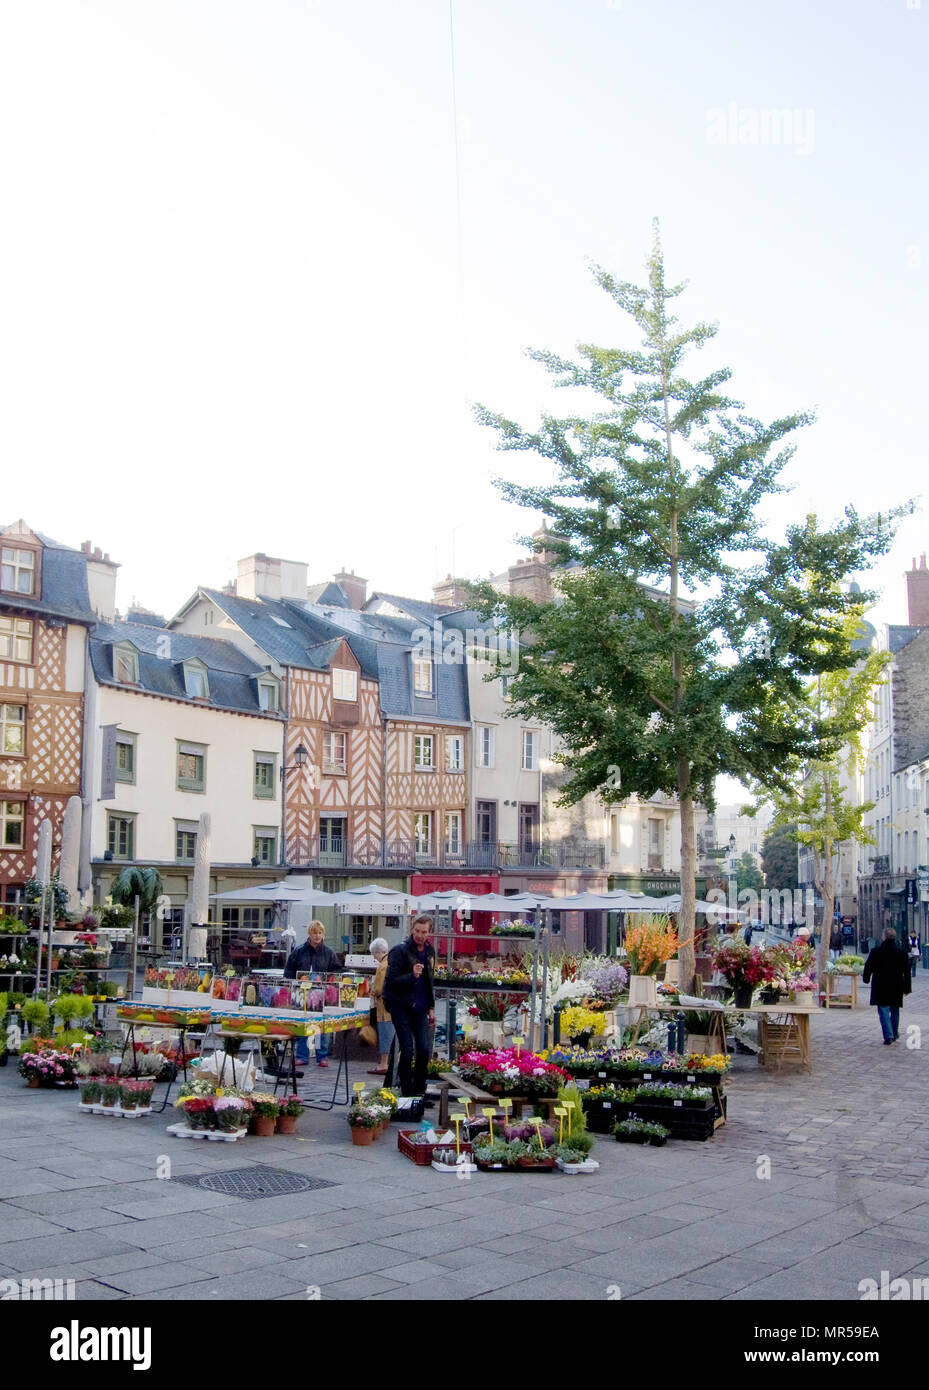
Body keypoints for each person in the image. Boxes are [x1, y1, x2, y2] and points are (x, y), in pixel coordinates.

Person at [383, 914, 435, 1097]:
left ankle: (419, 1090)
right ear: (412, 930)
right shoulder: (401, 951)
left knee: (424, 1049)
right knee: (407, 1049)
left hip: (420, 1007)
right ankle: (406, 1092)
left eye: (424, 932)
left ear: (429, 933)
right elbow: (390, 981)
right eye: (417, 931)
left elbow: (429, 981)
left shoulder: (429, 952)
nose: (420, 935)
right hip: (401, 1006)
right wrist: (411, 976)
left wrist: (431, 1007)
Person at [284, 921, 342, 1068]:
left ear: (323, 934)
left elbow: (336, 971)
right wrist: (294, 981)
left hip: (320, 994)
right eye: (315, 933)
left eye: (320, 933)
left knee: (319, 1026)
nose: (317, 936)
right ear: (309, 934)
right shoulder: (299, 951)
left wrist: (329, 982)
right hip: (301, 992)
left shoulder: (329, 953)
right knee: (303, 1025)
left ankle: (321, 1056)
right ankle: (302, 1055)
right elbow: (289, 971)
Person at [862, 926, 912, 1045]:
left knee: (884, 1010)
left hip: (881, 986)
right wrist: (907, 988)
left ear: (884, 937)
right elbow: (907, 972)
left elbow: (868, 967)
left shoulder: (876, 951)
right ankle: (893, 1033)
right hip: (896, 986)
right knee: (895, 1010)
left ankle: (889, 1035)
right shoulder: (901, 953)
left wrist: (866, 978)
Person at [367, 937, 395, 1076]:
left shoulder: (383, 965)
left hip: (384, 1007)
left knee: (385, 1034)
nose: (375, 958)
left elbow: (378, 988)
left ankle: (384, 1063)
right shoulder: (391, 961)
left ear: (378, 953)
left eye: (374, 955)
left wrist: (371, 991)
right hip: (392, 1005)